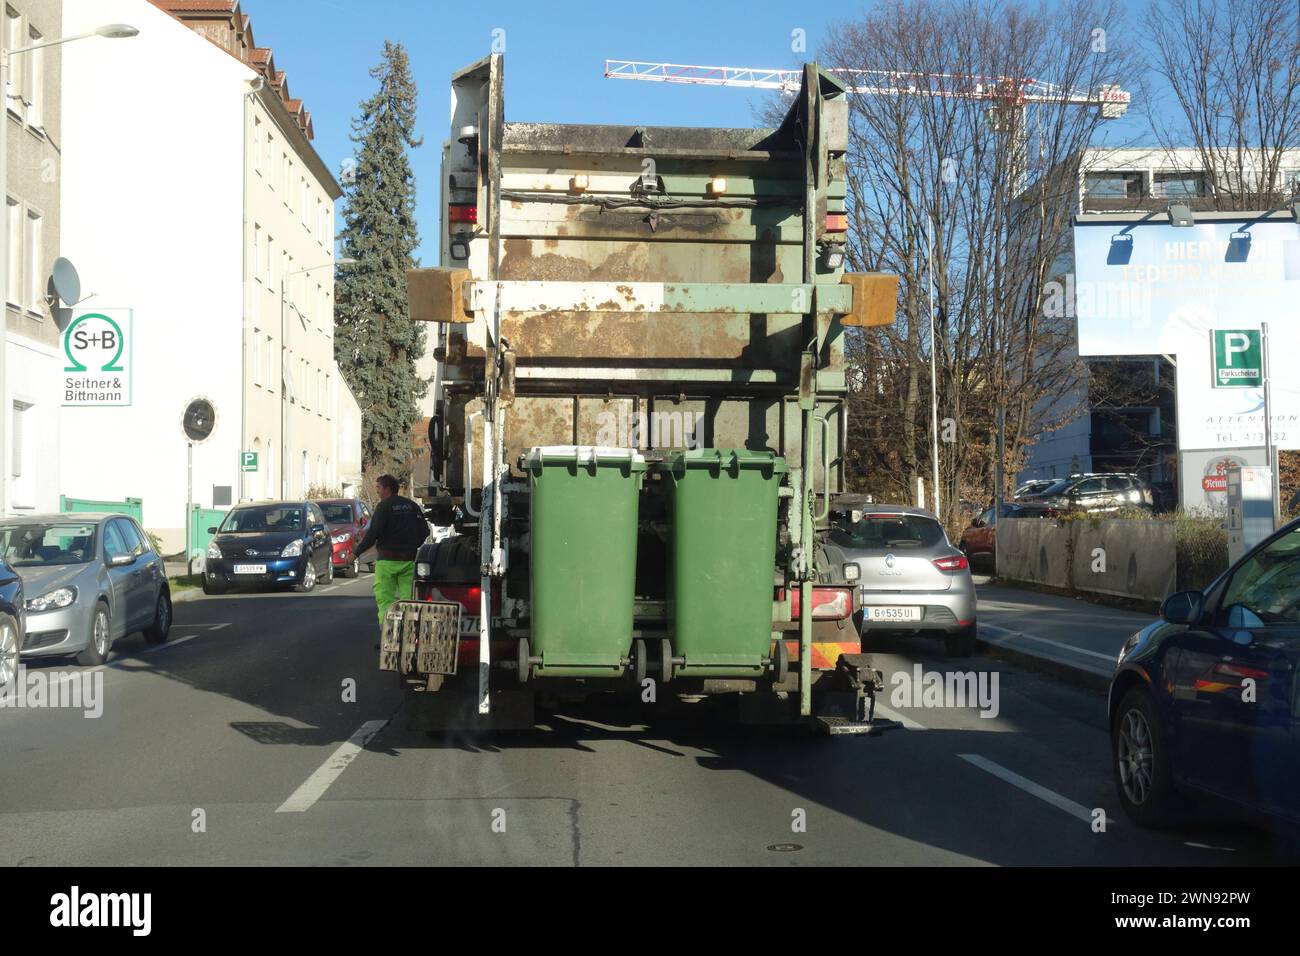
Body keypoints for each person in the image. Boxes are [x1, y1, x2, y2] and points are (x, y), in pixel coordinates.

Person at [352, 475, 431, 631]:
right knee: (408, 600)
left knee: (385, 600)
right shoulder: (412, 506)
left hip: (387, 562)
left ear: (387, 489)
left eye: (378, 488)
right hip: (408, 561)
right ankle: (408, 633)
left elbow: (374, 533)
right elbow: (425, 530)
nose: (377, 491)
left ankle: (388, 633)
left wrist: (356, 553)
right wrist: (413, 545)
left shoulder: (384, 507)